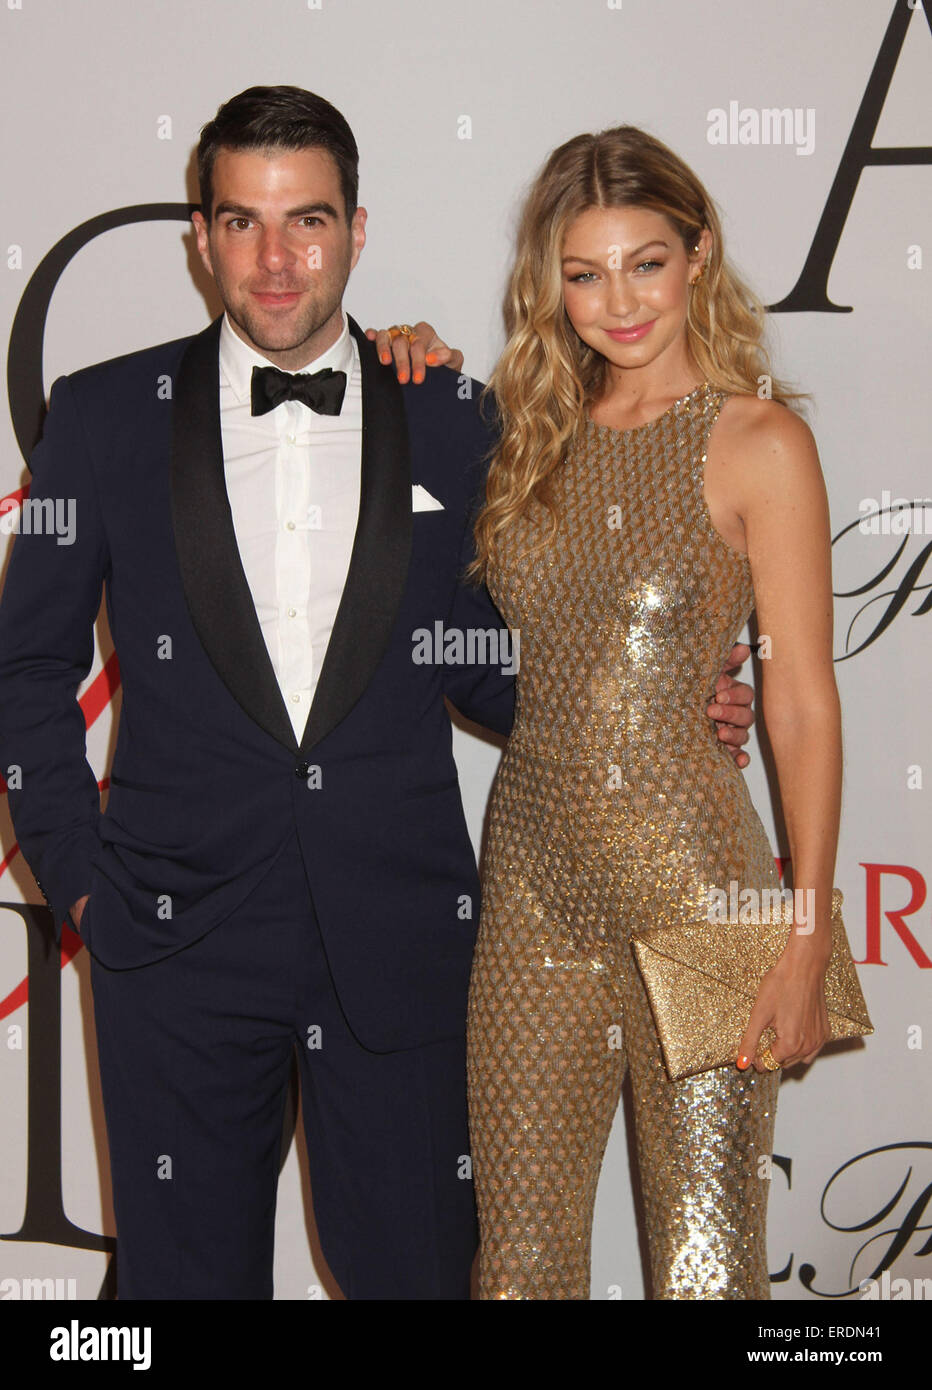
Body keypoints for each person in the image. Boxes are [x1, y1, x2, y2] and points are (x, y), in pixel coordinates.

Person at [0, 89, 757, 1301]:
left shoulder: (457, 418)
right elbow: (26, 668)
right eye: (241, 223)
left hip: (406, 944)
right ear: (199, 238)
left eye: (306, 220)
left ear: (358, 227)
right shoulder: (100, 417)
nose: (276, 257)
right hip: (173, 944)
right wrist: (81, 880)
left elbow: (502, 666)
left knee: (421, 1278)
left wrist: (660, 702)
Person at [463, 125, 841, 1300]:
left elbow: (797, 700)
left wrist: (804, 927)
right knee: (517, 1265)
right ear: (549, 283)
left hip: (701, 886)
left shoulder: (759, 440)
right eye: (582, 273)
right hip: (529, 876)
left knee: (703, 1260)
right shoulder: (526, 434)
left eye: (643, 263)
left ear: (697, 255)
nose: (614, 301)